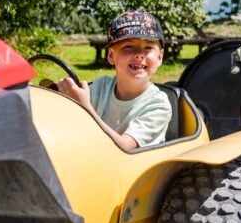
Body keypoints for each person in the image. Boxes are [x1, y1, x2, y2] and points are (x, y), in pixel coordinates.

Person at [56, 9, 172, 150]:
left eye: (148, 48)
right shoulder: (101, 86)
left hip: (136, 170)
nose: (139, 54)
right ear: (111, 55)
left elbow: (125, 148)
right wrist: (64, 97)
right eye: (128, 47)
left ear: (160, 57)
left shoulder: (158, 105)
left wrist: (85, 107)